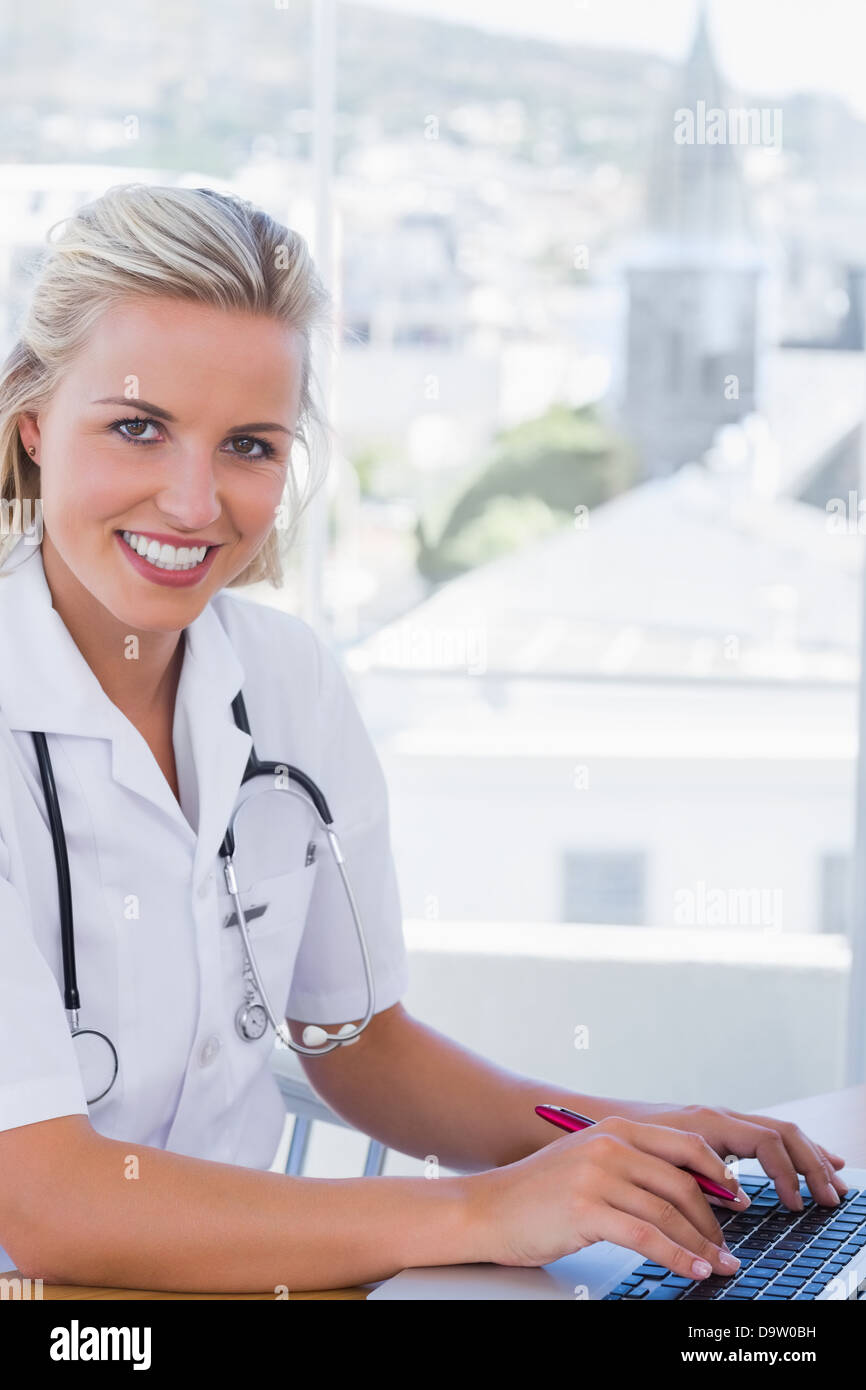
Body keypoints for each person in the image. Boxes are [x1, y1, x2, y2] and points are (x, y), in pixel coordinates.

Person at [0, 185, 847, 1294]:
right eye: (137, 428)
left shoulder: (287, 680)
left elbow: (356, 1043)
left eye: (249, 444)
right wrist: (487, 1206)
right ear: (32, 423)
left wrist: (633, 1139)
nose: (195, 500)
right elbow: (51, 1203)